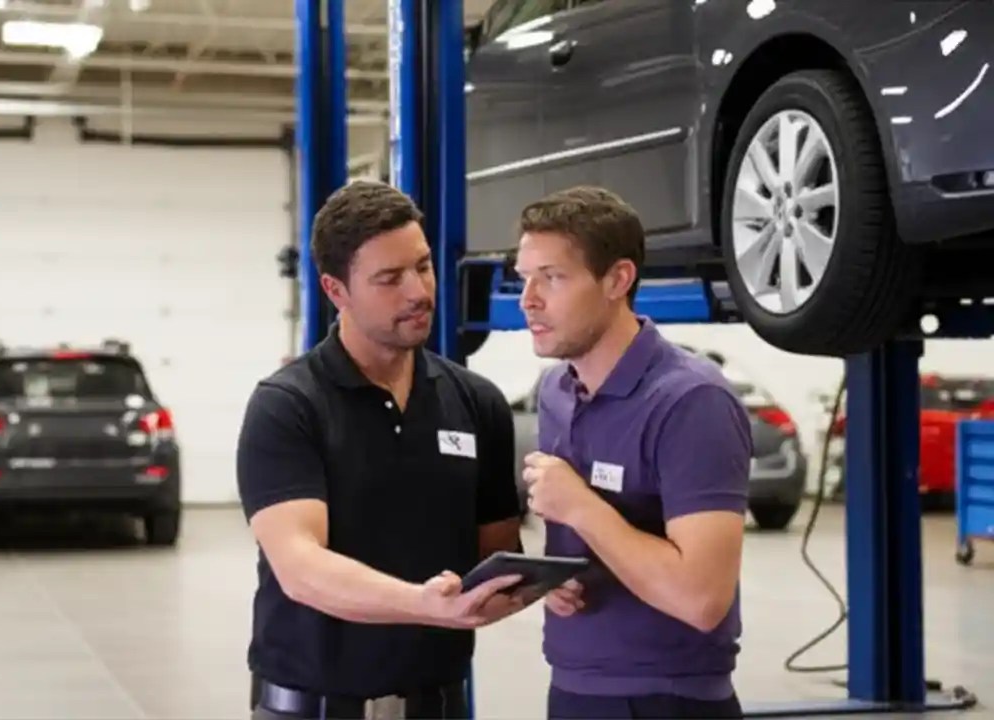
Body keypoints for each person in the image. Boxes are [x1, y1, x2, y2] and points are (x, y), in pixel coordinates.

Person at [236, 180, 527, 720]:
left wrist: (544, 575)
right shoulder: (289, 406)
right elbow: (300, 568)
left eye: (422, 266)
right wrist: (422, 603)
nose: (418, 291)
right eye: (390, 279)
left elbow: (495, 552)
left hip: (438, 705)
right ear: (336, 290)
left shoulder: (476, 402)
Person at [512, 186, 753, 719]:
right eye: (523, 277)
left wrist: (581, 507)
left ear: (618, 279)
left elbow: (702, 598)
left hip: (668, 700)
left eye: (551, 277)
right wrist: (554, 581)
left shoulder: (692, 402)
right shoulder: (556, 391)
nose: (528, 298)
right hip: (573, 685)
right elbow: (601, 550)